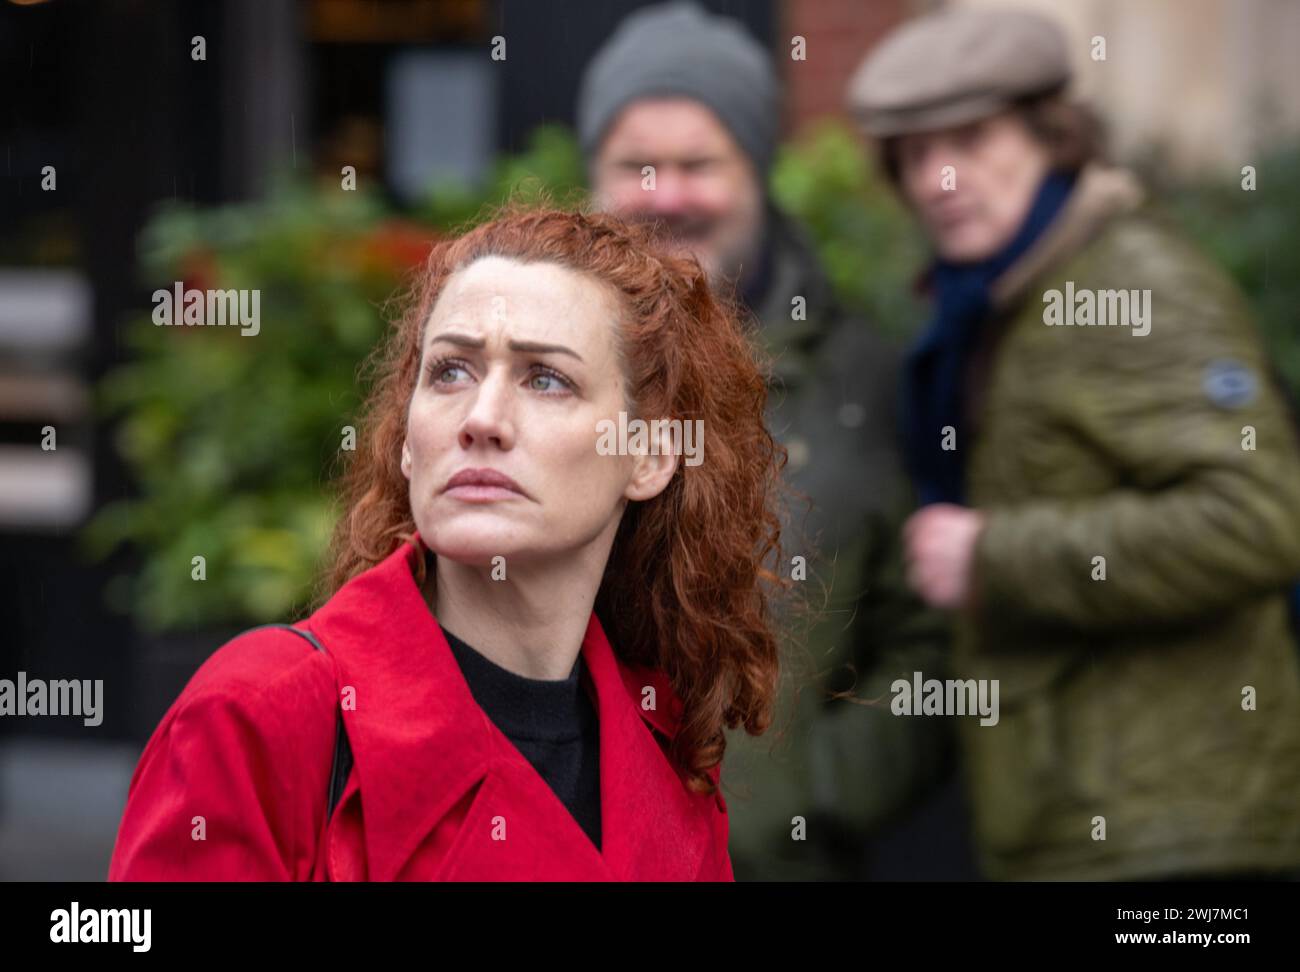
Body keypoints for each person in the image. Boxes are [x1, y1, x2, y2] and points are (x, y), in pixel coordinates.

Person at [107, 205, 788, 881]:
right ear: (406, 441)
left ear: (650, 455)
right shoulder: (261, 715)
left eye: (545, 379)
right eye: (450, 372)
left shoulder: (664, 753)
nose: (482, 419)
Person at [847, 6, 1300, 880]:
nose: (940, 177)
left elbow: (1258, 518)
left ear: (1052, 137)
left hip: (1179, 838)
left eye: (973, 140)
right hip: (1080, 822)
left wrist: (995, 558)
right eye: (913, 154)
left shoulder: (1132, 281)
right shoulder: (1000, 298)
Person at [577, 0, 960, 881]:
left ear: (758, 173)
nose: (665, 195)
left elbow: (927, 642)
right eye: (637, 164)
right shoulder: (519, 366)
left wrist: (816, 787)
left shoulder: (868, 375)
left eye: (699, 164)